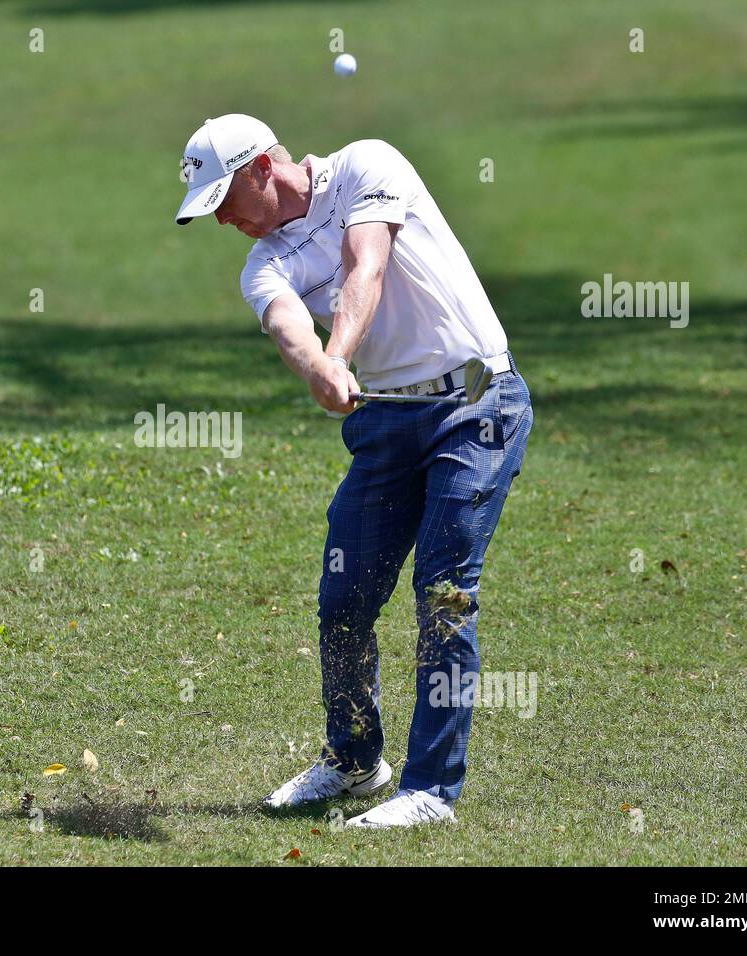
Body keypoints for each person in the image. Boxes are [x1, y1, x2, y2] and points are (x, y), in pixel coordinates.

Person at [173, 114, 533, 828]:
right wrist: (316, 367)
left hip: (476, 406)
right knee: (344, 597)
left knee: (444, 594)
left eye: (225, 203)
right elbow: (285, 326)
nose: (224, 224)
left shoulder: (368, 163)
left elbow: (365, 264)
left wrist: (337, 355)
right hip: (386, 422)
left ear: (261, 171)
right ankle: (356, 761)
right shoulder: (262, 262)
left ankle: (431, 792)